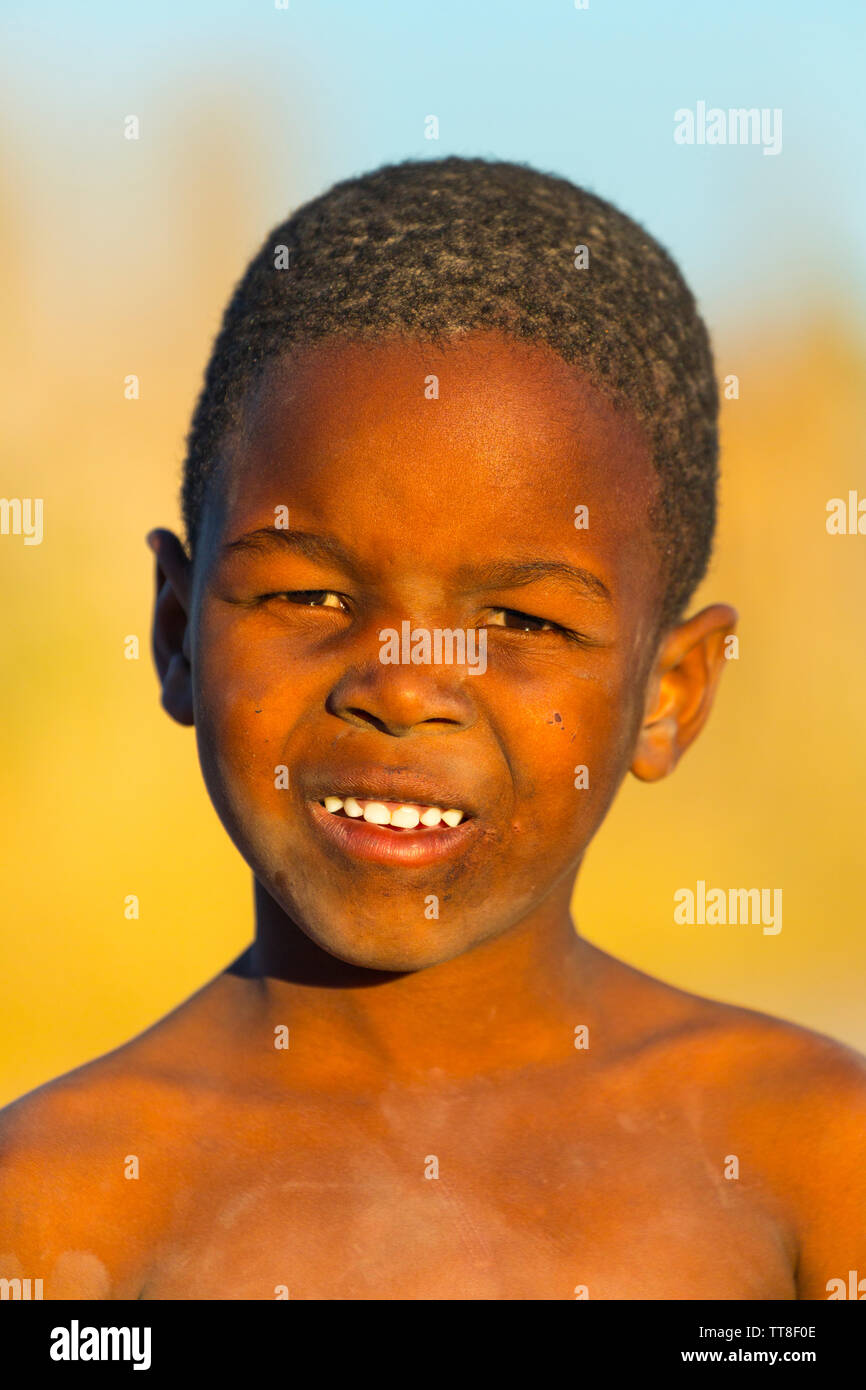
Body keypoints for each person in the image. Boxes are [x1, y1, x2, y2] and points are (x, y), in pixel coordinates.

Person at [1, 156, 863, 1300]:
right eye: (309, 598)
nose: (405, 688)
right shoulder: (58, 1203)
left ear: (669, 693)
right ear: (175, 630)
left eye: (518, 619)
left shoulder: (809, 1161)